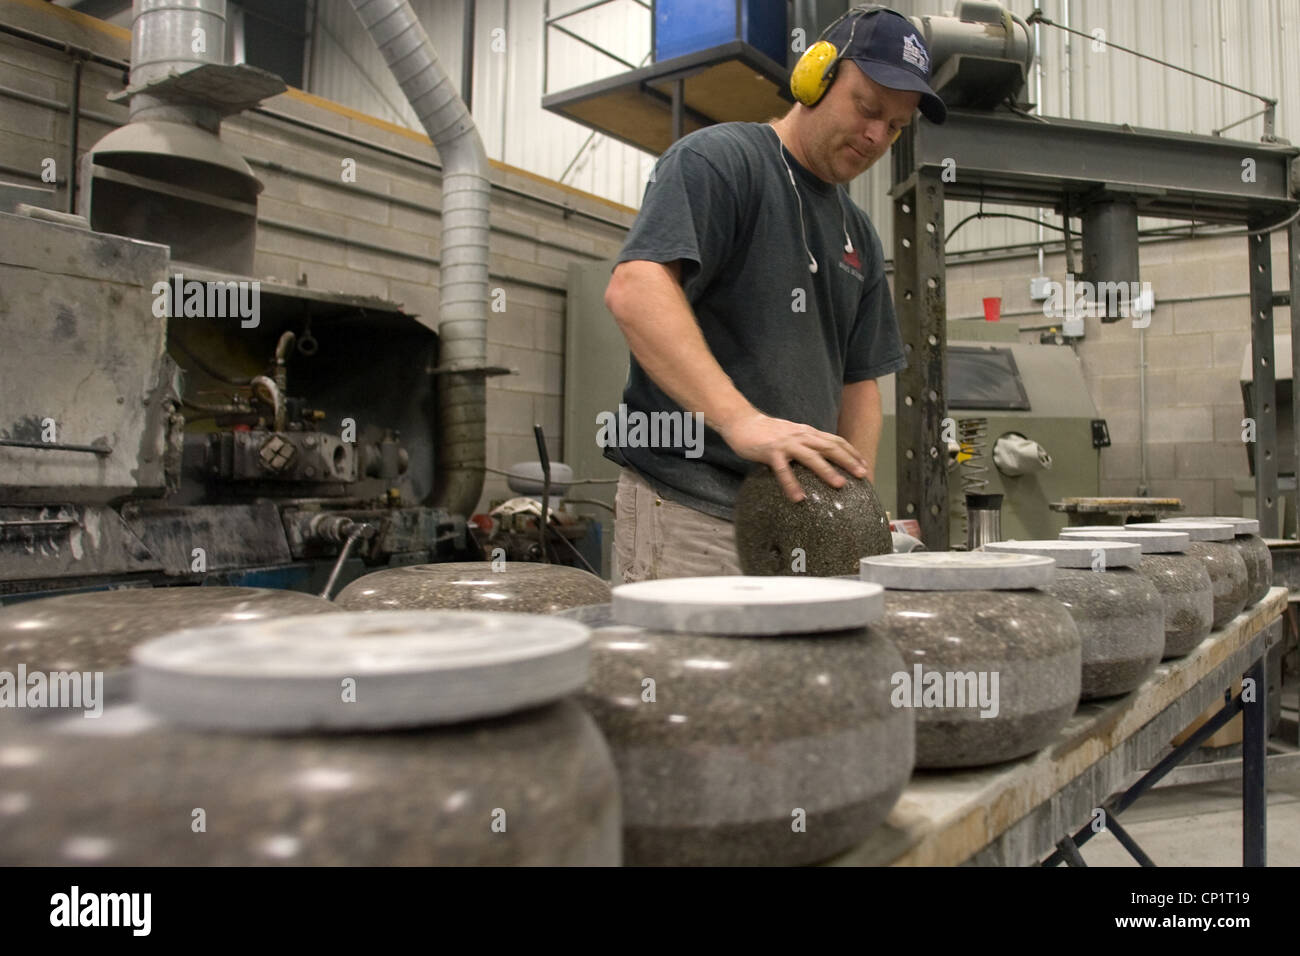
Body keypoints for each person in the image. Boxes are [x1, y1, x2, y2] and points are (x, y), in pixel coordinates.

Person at [602, 5, 946, 583]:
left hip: (800, 530)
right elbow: (636, 288)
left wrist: (853, 498)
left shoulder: (856, 231)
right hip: (692, 509)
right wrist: (742, 421)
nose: (875, 136)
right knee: (688, 674)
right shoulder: (720, 162)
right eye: (867, 108)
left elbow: (859, 381)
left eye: (894, 127)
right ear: (816, 76)